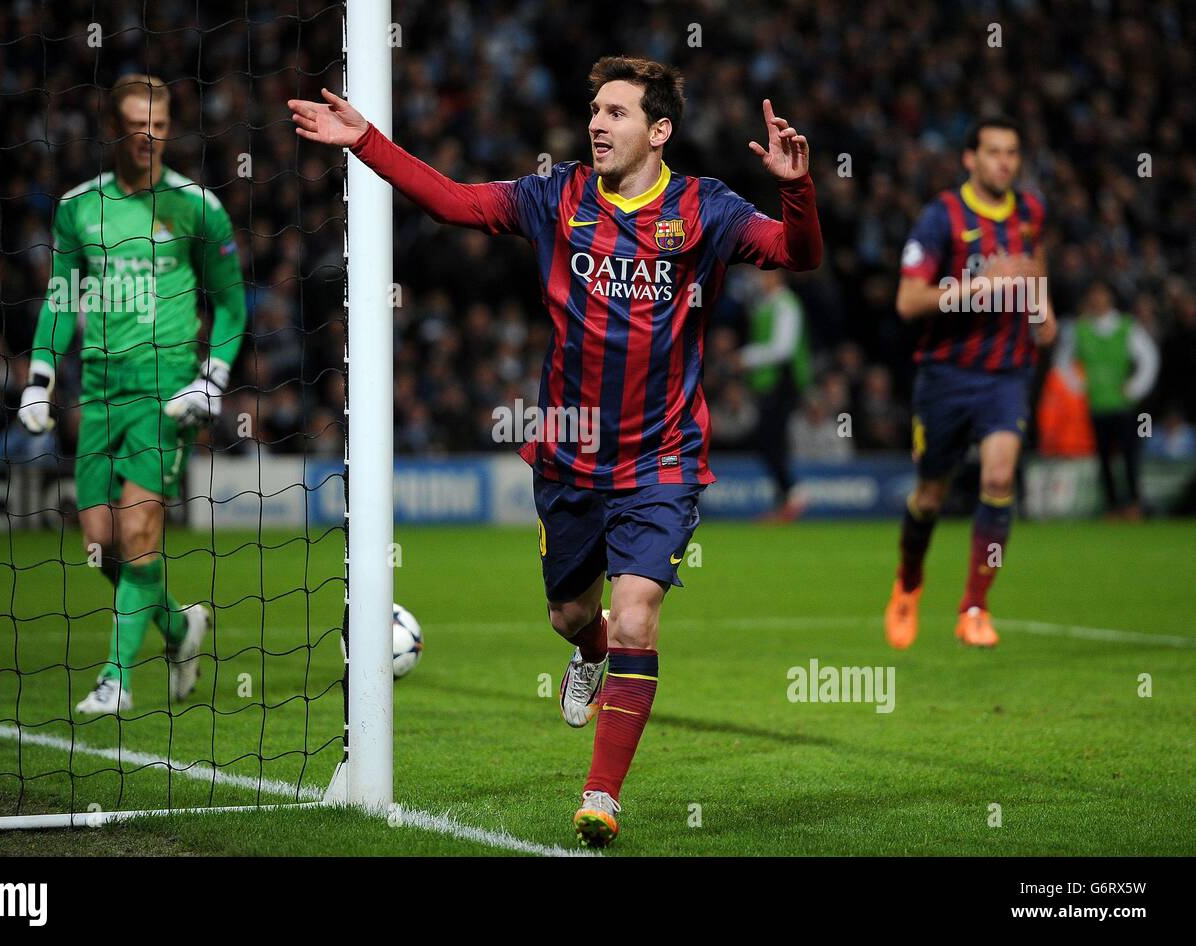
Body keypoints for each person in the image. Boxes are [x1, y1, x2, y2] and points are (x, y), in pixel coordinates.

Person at [290, 55, 821, 846]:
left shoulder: (704, 208)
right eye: (595, 110)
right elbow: (456, 204)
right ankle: (589, 649)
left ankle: (601, 795)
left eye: (616, 112)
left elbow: (797, 255)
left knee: (638, 615)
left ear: (659, 129)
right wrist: (368, 139)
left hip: (662, 457)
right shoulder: (558, 195)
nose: (597, 123)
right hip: (570, 457)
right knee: (572, 614)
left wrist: (795, 188)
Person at [19, 75, 249, 715]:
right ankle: (180, 629)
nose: (149, 137)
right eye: (137, 125)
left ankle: (116, 680)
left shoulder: (196, 207)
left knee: (140, 530)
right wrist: (40, 376)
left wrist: (212, 377)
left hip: (165, 393)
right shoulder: (77, 209)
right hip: (97, 396)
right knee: (100, 543)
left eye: (160, 126)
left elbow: (231, 304)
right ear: (114, 130)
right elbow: (60, 300)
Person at [885, 116, 1056, 651]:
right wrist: (979, 285)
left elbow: (1034, 259)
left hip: (1007, 373)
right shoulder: (943, 218)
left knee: (999, 478)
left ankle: (975, 608)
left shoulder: (1030, 210)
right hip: (946, 375)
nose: (1005, 162)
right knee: (930, 496)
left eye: (1012, 152)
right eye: (993, 152)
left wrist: (1042, 307)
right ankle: (909, 582)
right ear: (970, 159)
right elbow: (908, 301)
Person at [1055, 280, 1159, 518]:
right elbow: (1062, 361)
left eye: (1102, 295)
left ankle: (1133, 503)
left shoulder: (1126, 326)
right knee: (1103, 458)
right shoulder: (1080, 329)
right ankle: (1113, 506)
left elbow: (1149, 359)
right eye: (1094, 295)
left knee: (1129, 455)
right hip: (1096, 404)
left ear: (1110, 298)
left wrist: (1134, 388)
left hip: (1124, 405)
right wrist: (1079, 387)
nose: (1098, 300)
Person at [737, 268, 811, 520]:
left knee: (771, 438)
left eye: (760, 274)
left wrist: (746, 358)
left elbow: (784, 348)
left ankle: (793, 494)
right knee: (770, 439)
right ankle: (786, 498)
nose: (756, 280)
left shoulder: (785, 304)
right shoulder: (765, 304)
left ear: (775, 276)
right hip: (768, 383)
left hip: (783, 381)